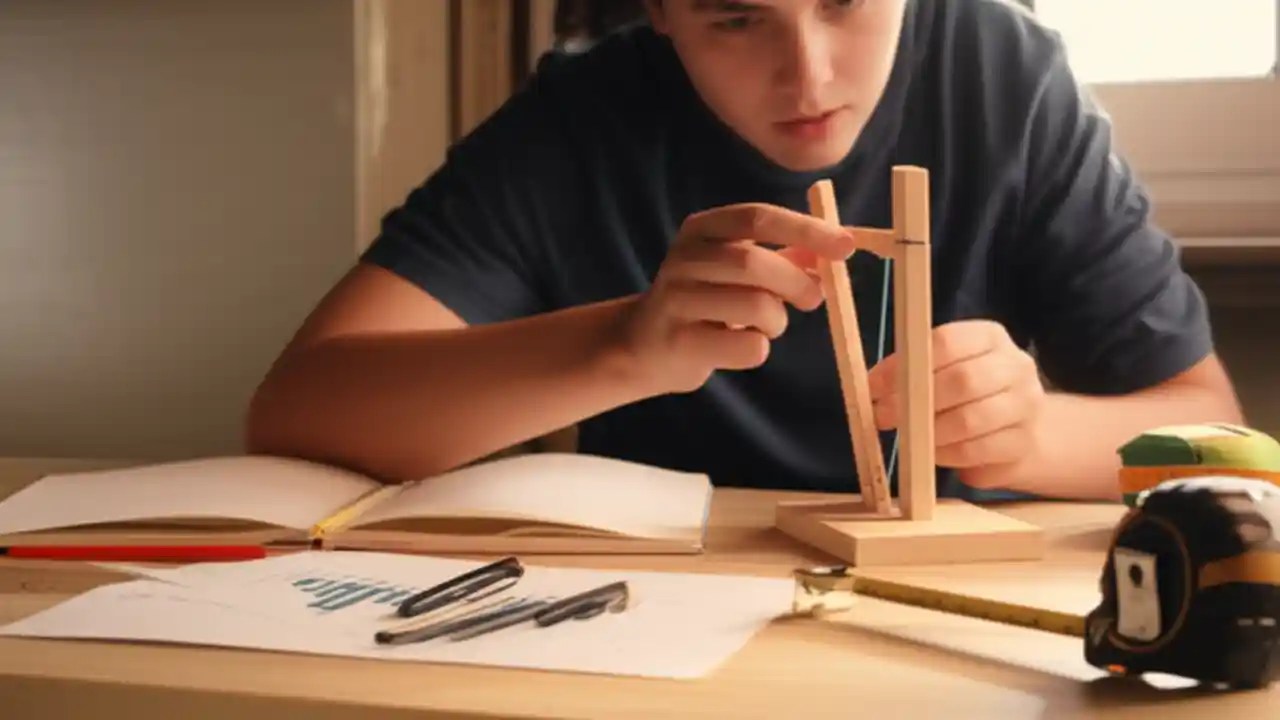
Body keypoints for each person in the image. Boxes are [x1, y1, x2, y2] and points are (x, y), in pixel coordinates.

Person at [244, 0, 1243, 502]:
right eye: (734, 16)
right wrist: (624, 348)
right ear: (663, 12)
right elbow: (301, 410)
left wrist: (1032, 437)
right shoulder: (580, 122)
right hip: (657, 624)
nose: (805, 75)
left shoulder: (1006, 76)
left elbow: (1213, 435)